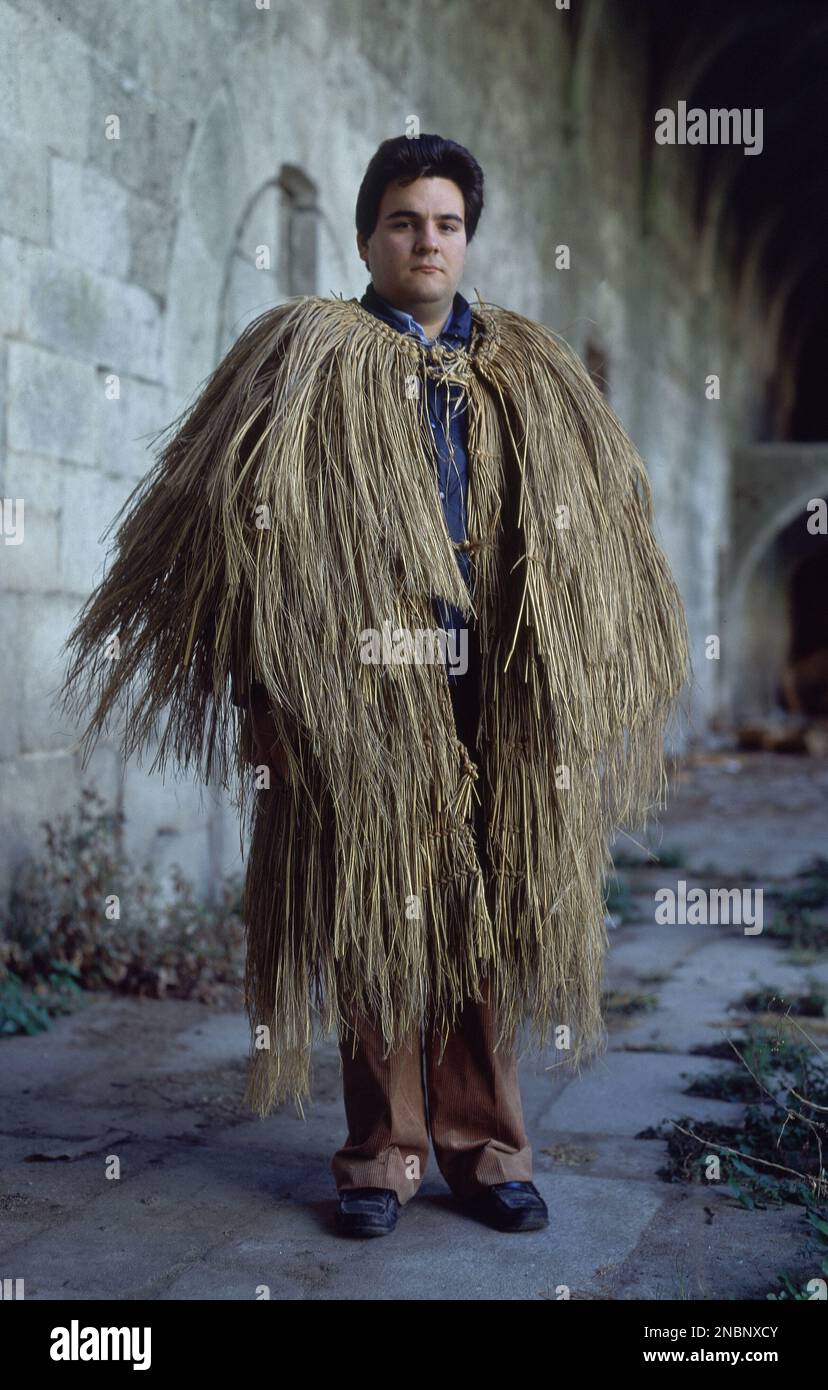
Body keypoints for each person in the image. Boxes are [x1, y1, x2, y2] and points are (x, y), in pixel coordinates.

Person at [56, 134, 690, 1239]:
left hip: (496, 688)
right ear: (366, 238)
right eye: (404, 222)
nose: (426, 242)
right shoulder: (303, 355)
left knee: (488, 908)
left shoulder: (532, 370)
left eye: (446, 223)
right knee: (377, 911)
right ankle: (380, 1160)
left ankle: (488, 1154)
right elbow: (232, 545)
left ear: (467, 240)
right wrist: (264, 694)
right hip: (359, 688)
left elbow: (603, 538)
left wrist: (580, 677)